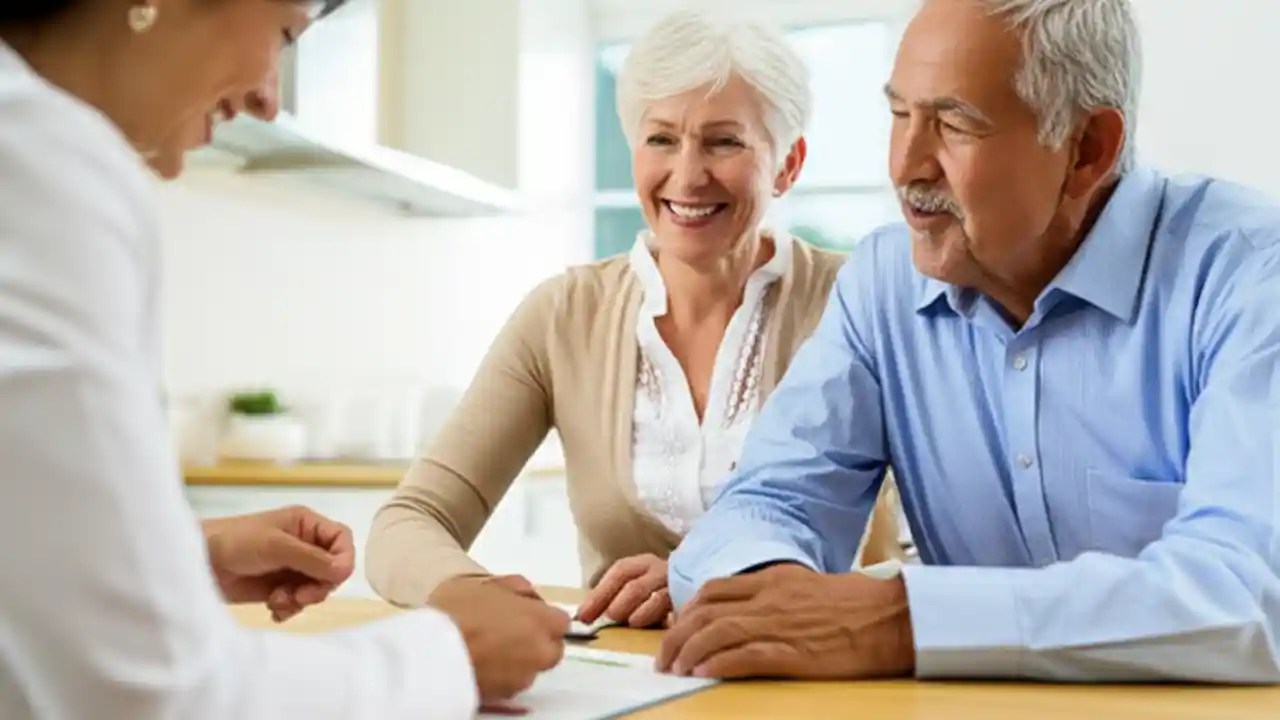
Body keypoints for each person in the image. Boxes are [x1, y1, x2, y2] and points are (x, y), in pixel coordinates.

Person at [661, 0, 1280, 684]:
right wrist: (768, 594)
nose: (906, 167)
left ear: (1087, 150)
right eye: (899, 116)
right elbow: (768, 503)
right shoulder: (883, 284)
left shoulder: (1251, 275)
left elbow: (1247, 593)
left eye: (954, 124)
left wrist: (902, 619)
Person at [0, 2, 568, 718]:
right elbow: (154, 695)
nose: (271, 96)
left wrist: (180, 555)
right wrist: (449, 656)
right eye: (285, 34)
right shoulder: (42, 161)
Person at [364, 9, 904, 629]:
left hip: (825, 674)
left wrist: (698, 579)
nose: (687, 174)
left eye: (724, 141)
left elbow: (951, 554)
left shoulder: (861, 301)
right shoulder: (563, 317)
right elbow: (408, 523)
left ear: (788, 164)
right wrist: (467, 593)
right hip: (629, 679)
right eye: (662, 139)